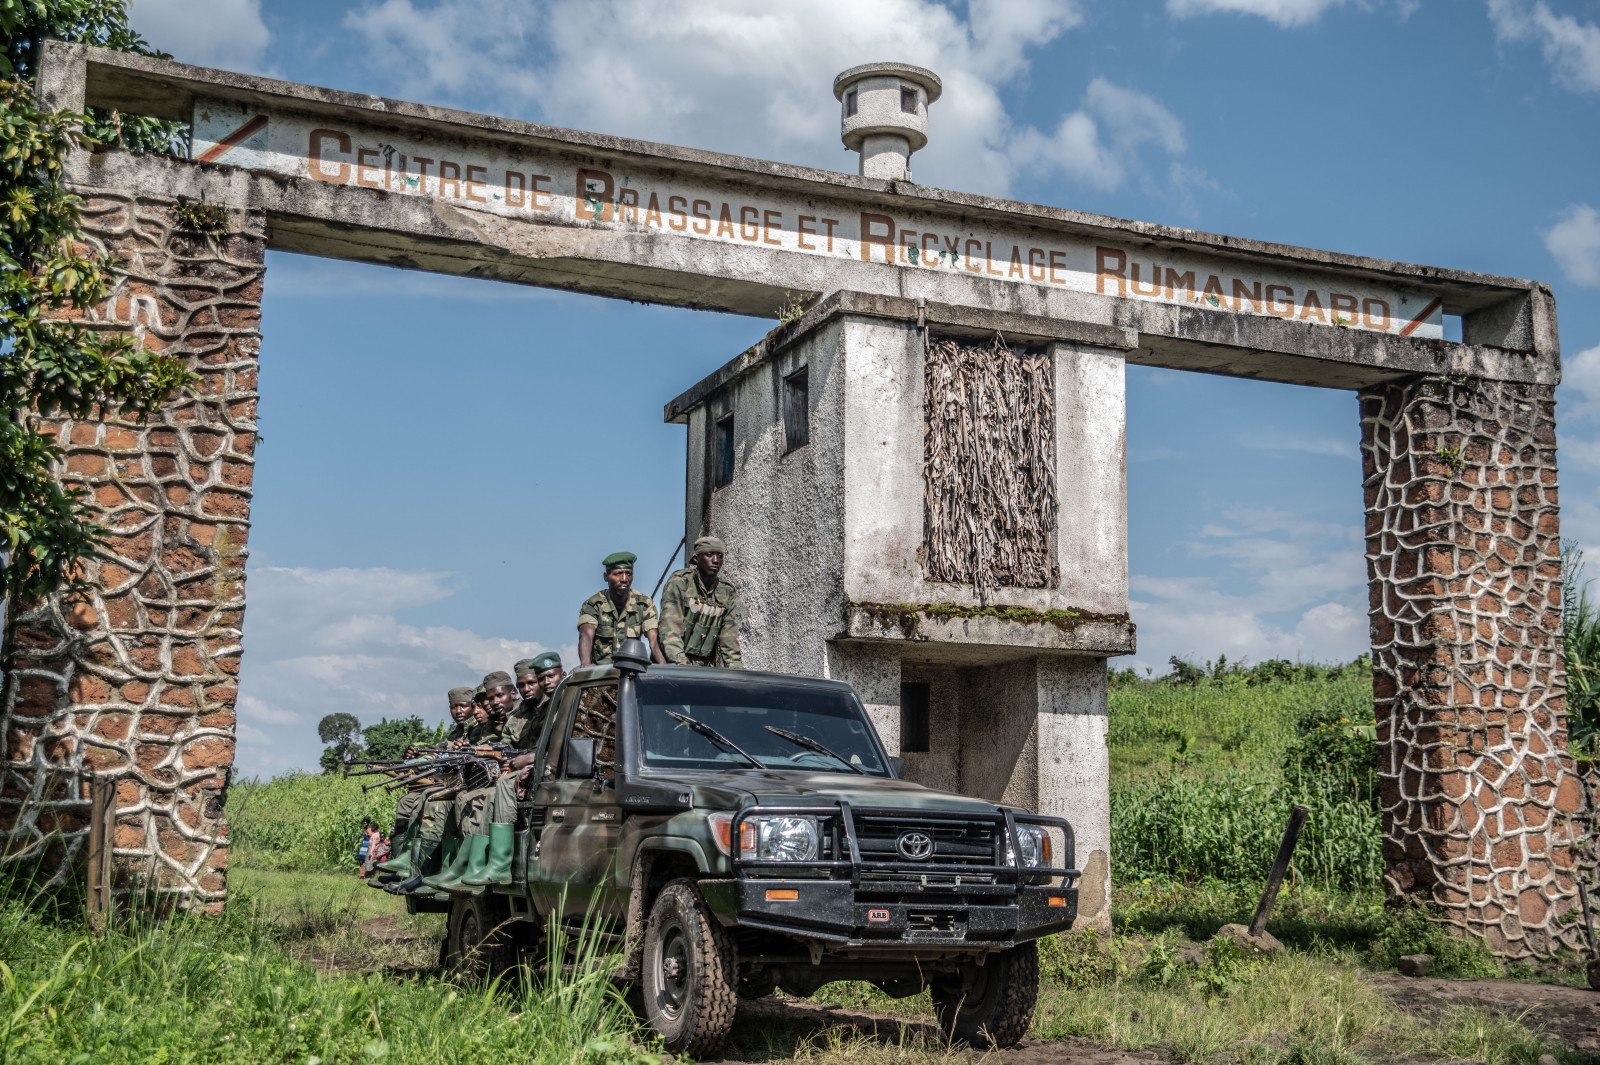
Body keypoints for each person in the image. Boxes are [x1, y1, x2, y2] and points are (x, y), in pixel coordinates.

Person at [460, 653, 568, 887]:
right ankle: (472, 865)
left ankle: (498, 864)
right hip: (542, 768)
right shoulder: (543, 709)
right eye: (540, 679)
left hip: (559, 773)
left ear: (563, 674)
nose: (544, 682)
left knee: (504, 786)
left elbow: (564, 748)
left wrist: (527, 758)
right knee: (482, 795)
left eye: (548, 676)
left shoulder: (567, 704)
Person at [422, 670, 519, 893]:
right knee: (451, 797)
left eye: (495, 698)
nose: (476, 710)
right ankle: (454, 867)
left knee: (475, 798)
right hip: (486, 780)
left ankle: (473, 867)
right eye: (488, 700)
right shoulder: (482, 727)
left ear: (512, 693)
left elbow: (506, 751)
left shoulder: (513, 718)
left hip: (508, 781)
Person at [373, 686, 473, 889]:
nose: (458, 711)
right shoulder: (454, 735)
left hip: (465, 785)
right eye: (454, 707)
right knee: (406, 801)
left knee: (431, 797)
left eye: (463, 706)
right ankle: (404, 863)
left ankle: (427, 871)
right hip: (448, 781)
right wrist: (414, 758)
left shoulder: (476, 730)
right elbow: (440, 759)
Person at [659, 535, 743, 668]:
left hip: (706, 668)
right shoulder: (680, 582)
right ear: (696, 559)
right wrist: (682, 666)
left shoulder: (727, 591)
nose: (715, 560)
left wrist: (738, 672)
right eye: (709, 555)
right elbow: (670, 631)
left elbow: (729, 639)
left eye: (719, 556)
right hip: (673, 665)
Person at [578, 551, 666, 667]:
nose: (624, 579)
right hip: (602, 673)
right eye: (618, 573)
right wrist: (586, 665)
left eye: (629, 573)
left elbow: (653, 640)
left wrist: (663, 666)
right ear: (606, 577)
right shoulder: (594, 605)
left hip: (632, 671)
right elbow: (586, 635)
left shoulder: (643, 604)